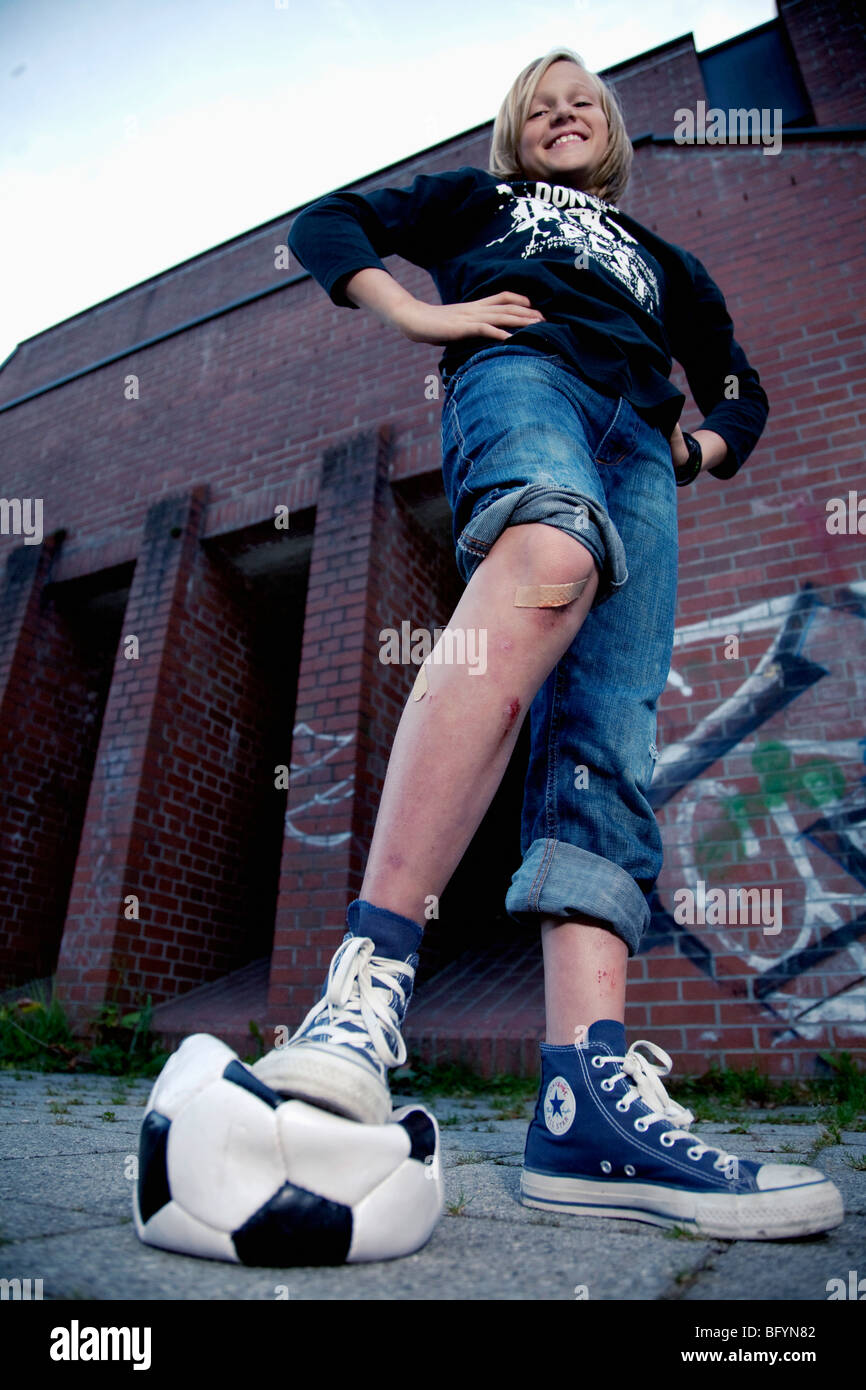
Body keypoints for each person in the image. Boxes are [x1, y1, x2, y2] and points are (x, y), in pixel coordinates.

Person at [252, 48, 843, 1240]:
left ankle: (586, 1101)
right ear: (514, 132)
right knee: (546, 556)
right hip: (521, 378)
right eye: (540, 104)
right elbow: (329, 222)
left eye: (583, 102)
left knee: (608, 731)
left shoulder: (665, 260)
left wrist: (697, 450)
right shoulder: (477, 201)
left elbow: (736, 385)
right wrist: (419, 312)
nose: (563, 113)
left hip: (641, 454)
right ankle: (363, 991)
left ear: (610, 131)